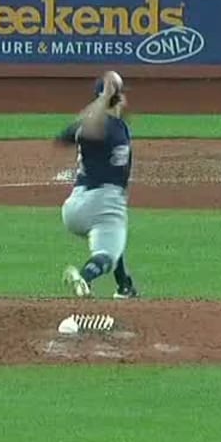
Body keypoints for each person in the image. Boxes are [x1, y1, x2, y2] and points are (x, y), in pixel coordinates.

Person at [59, 71, 139, 300]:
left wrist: (104, 100)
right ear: (118, 98)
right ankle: (84, 277)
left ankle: (125, 286)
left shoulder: (112, 125)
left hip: (74, 206)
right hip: (104, 203)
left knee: (114, 235)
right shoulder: (104, 128)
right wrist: (105, 97)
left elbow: (66, 134)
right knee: (107, 255)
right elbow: (76, 133)